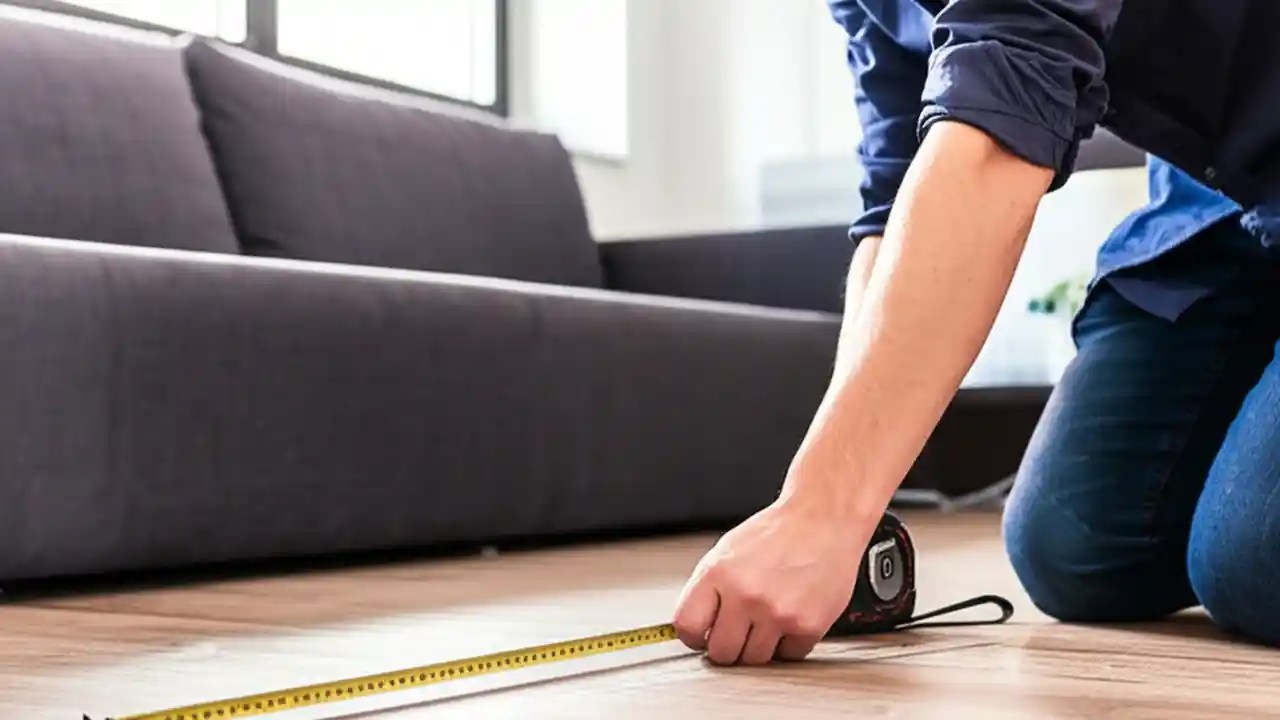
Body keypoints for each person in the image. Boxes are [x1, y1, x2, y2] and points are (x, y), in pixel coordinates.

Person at [673, 0, 1280, 666]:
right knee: (1074, 549)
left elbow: (1005, 105)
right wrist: (832, 498)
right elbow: (893, 199)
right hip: (1215, 206)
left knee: (1253, 560)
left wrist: (824, 510)